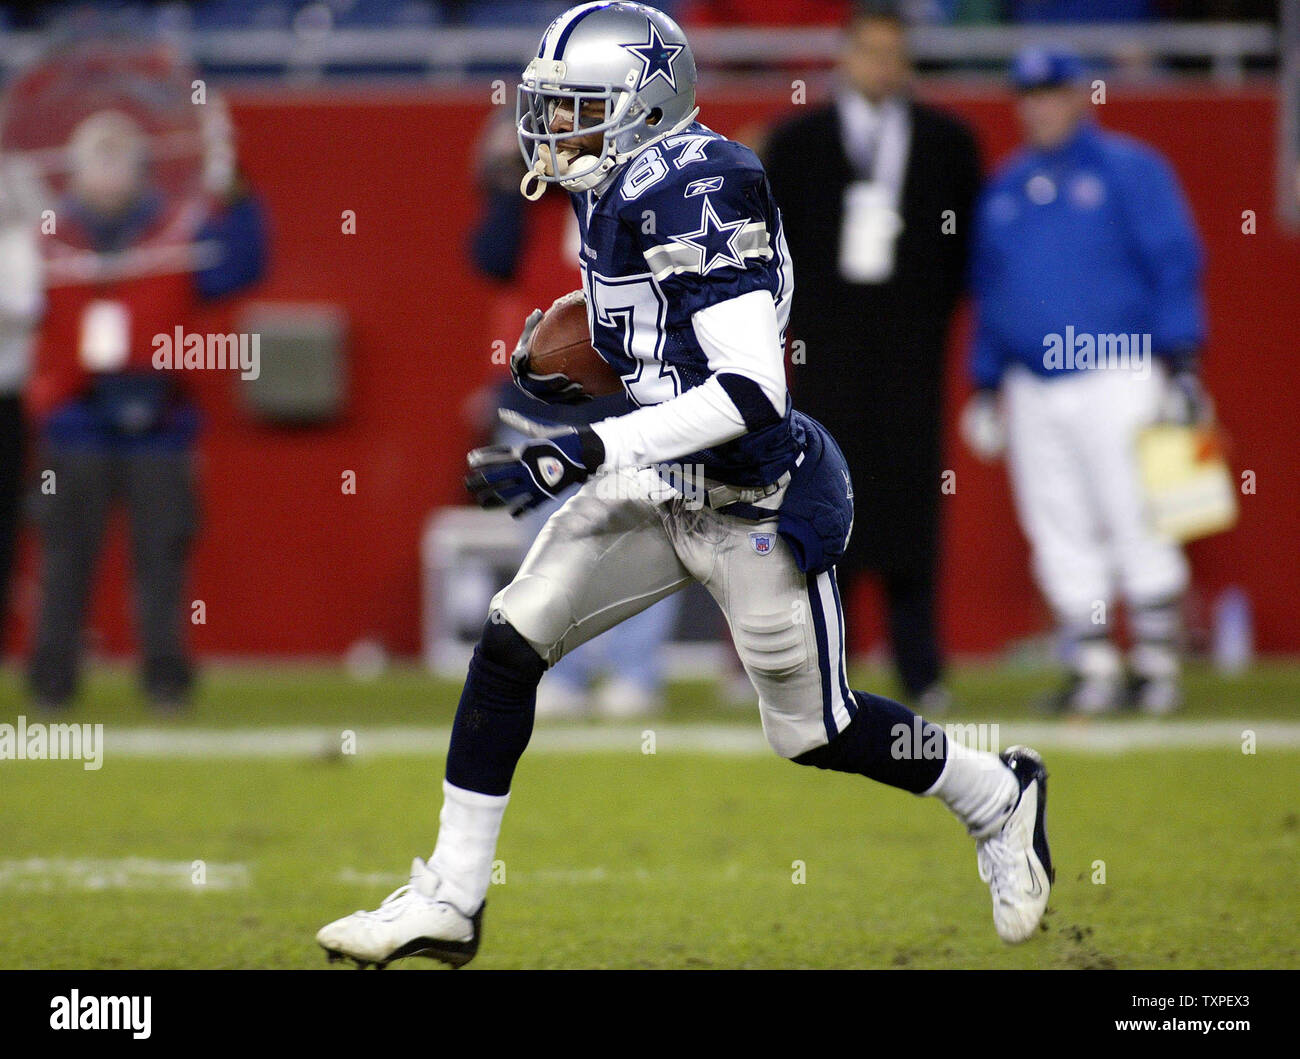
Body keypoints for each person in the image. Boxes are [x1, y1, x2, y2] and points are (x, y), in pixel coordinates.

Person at [317, 1, 1053, 968]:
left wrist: (587, 445)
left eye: (578, 106)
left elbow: (750, 389)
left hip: (754, 493)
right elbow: (659, 326)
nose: (554, 127)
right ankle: (452, 897)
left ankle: (996, 794)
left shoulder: (701, 182)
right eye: (552, 105)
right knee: (510, 639)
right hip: (658, 482)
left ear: (644, 105)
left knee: (815, 729)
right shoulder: (612, 182)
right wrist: (583, 345)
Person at [960, 47, 1208, 714]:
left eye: (1051, 91)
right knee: (1058, 521)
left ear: (1080, 95)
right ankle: (1094, 663)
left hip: (1120, 368)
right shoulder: (1007, 187)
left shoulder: (1131, 169)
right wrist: (984, 383)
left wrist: (1183, 362)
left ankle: (1156, 663)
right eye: (1028, 94)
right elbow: (991, 291)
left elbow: (1174, 265)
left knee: (1138, 510)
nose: (1038, 105)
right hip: (1032, 384)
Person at [764, 3, 981, 711]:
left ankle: (921, 667)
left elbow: (964, 259)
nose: (882, 66)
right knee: (829, 503)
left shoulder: (948, 144)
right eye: (870, 51)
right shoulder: (796, 145)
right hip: (824, 359)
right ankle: (832, 666)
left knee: (913, 508)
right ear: (844, 56)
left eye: (895, 53)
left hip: (912, 359)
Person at [26, 105, 267, 712]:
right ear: (74, 170)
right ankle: (52, 683)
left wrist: (235, 188)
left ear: (142, 168)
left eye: (119, 158)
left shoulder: (178, 231)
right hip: (74, 422)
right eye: (96, 159)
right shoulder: (45, 237)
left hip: (159, 421)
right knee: (64, 562)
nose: (108, 174)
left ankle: (165, 682)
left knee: (162, 561)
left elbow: (244, 265)